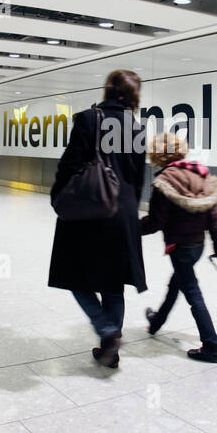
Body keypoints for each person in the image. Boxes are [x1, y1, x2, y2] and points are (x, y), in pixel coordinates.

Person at [47, 69, 147, 368]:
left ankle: (106, 329)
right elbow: (137, 178)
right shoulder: (138, 128)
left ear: (107, 89)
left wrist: (57, 197)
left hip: (91, 211)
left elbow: (70, 165)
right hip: (124, 213)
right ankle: (110, 350)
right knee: (114, 284)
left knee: (76, 277)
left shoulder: (89, 119)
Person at [140, 132, 217, 362]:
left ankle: (211, 346)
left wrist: (131, 228)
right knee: (177, 283)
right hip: (197, 245)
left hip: (179, 246)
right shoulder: (198, 174)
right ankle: (156, 321)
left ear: (157, 155)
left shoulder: (163, 182)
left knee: (192, 292)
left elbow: (156, 222)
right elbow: (213, 215)